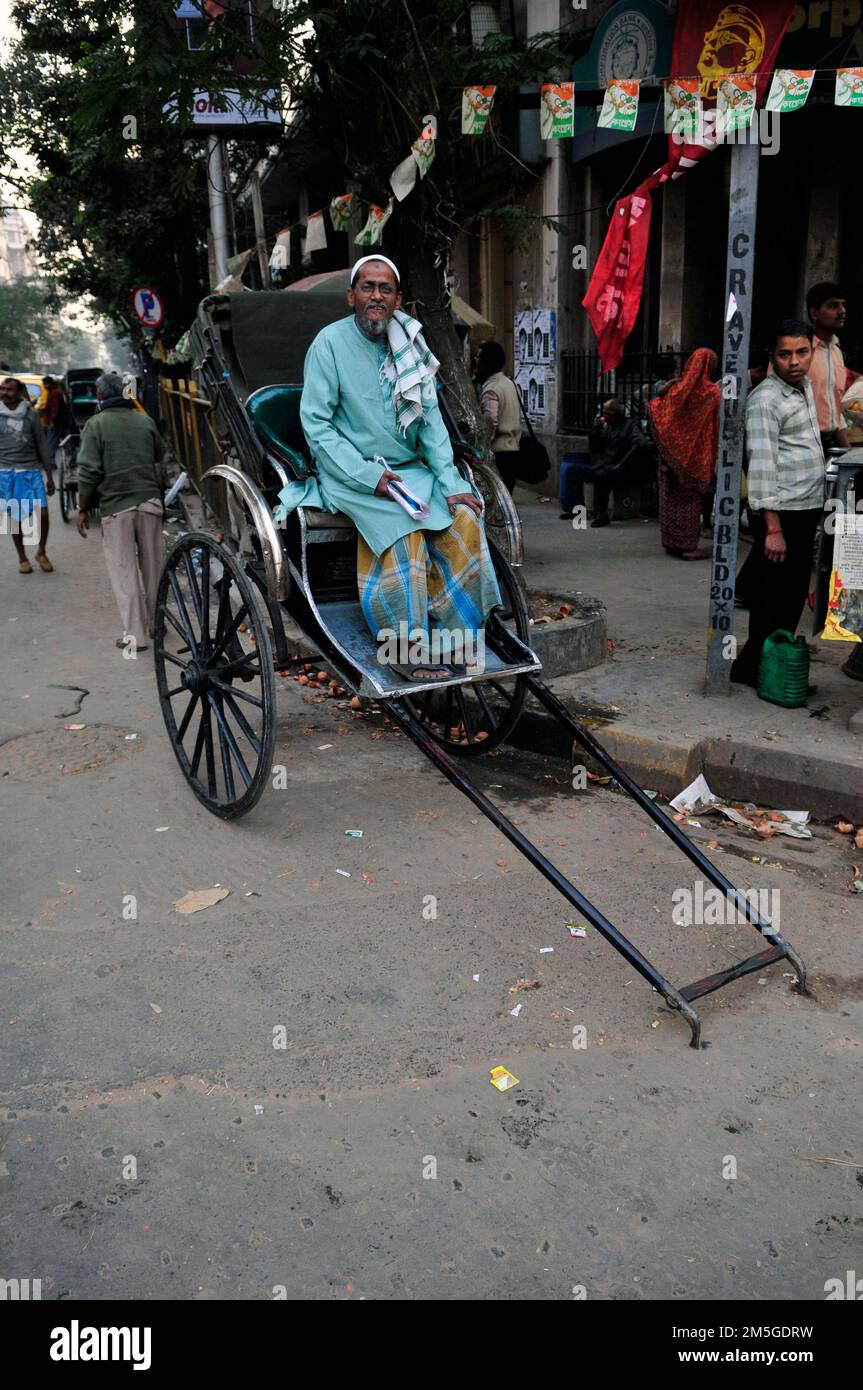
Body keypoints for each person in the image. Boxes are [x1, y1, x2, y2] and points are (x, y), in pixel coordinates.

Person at [276, 255, 502, 682]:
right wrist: (369, 476)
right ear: (352, 296)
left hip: (408, 474)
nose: (376, 296)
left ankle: (457, 640)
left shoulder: (410, 344)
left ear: (397, 299)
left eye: (384, 289)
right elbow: (317, 426)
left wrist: (451, 483)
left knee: (464, 521)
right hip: (351, 475)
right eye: (367, 287)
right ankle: (404, 648)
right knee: (405, 530)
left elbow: (431, 422)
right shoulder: (329, 344)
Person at [730, 320, 825, 689]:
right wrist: (772, 530)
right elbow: (763, 466)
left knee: (790, 599)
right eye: (785, 354)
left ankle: (772, 666)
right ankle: (753, 670)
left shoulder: (800, 389)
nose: (794, 361)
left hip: (802, 509)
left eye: (802, 352)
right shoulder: (766, 400)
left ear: (811, 352)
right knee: (773, 600)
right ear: (773, 357)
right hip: (781, 515)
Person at [75, 371, 165, 653]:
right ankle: (158, 625)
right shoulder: (144, 420)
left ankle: (135, 637)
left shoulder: (95, 425)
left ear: (100, 395)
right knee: (155, 569)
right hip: (150, 503)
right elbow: (158, 454)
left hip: (117, 509)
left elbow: (89, 471)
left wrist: (82, 508)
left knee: (124, 572)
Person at [647, 348, 720, 559]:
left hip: (670, 457)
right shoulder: (711, 392)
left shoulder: (676, 388)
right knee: (690, 503)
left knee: (670, 501)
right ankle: (689, 547)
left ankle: (672, 542)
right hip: (695, 459)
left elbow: (657, 409)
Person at [558, 398, 651, 527]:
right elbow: (595, 449)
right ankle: (578, 511)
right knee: (572, 470)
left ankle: (601, 515)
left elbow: (642, 444)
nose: (604, 416)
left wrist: (621, 464)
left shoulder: (630, 426)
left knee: (601, 476)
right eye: (604, 413)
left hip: (620, 470)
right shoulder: (608, 427)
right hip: (603, 465)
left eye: (608, 413)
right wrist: (596, 430)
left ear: (616, 414)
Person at [0, 375, 55, 573]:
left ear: (19, 393)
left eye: (9, 390)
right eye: (3, 389)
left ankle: (41, 552)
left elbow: (42, 444)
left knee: (44, 515)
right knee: (15, 518)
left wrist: (49, 475)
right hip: (7, 473)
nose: (5, 393)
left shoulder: (30, 414)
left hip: (31, 471)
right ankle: (22, 558)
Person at [805, 281, 849, 455]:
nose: (842, 311)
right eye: (833, 305)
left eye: (843, 305)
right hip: (804, 444)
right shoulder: (802, 352)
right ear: (815, 313)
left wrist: (847, 451)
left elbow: (835, 411)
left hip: (830, 445)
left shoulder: (836, 351)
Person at [475, 340, 523, 494]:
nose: (476, 365)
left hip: (499, 453)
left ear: (486, 364)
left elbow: (490, 423)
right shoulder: (510, 384)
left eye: (478, 360)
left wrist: (482, 447)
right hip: (514, 449)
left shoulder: (492, 389)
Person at [42, 376, 74, 468]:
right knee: (67, 441)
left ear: (50, 384)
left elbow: (55, 408)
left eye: (45, 384)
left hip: (57, 422)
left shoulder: (55, 393)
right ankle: (71, 462)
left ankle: (50, 463)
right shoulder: (55, 392)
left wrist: (52, 421)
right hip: (64, 421)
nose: (44, 386)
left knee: (51, 443)